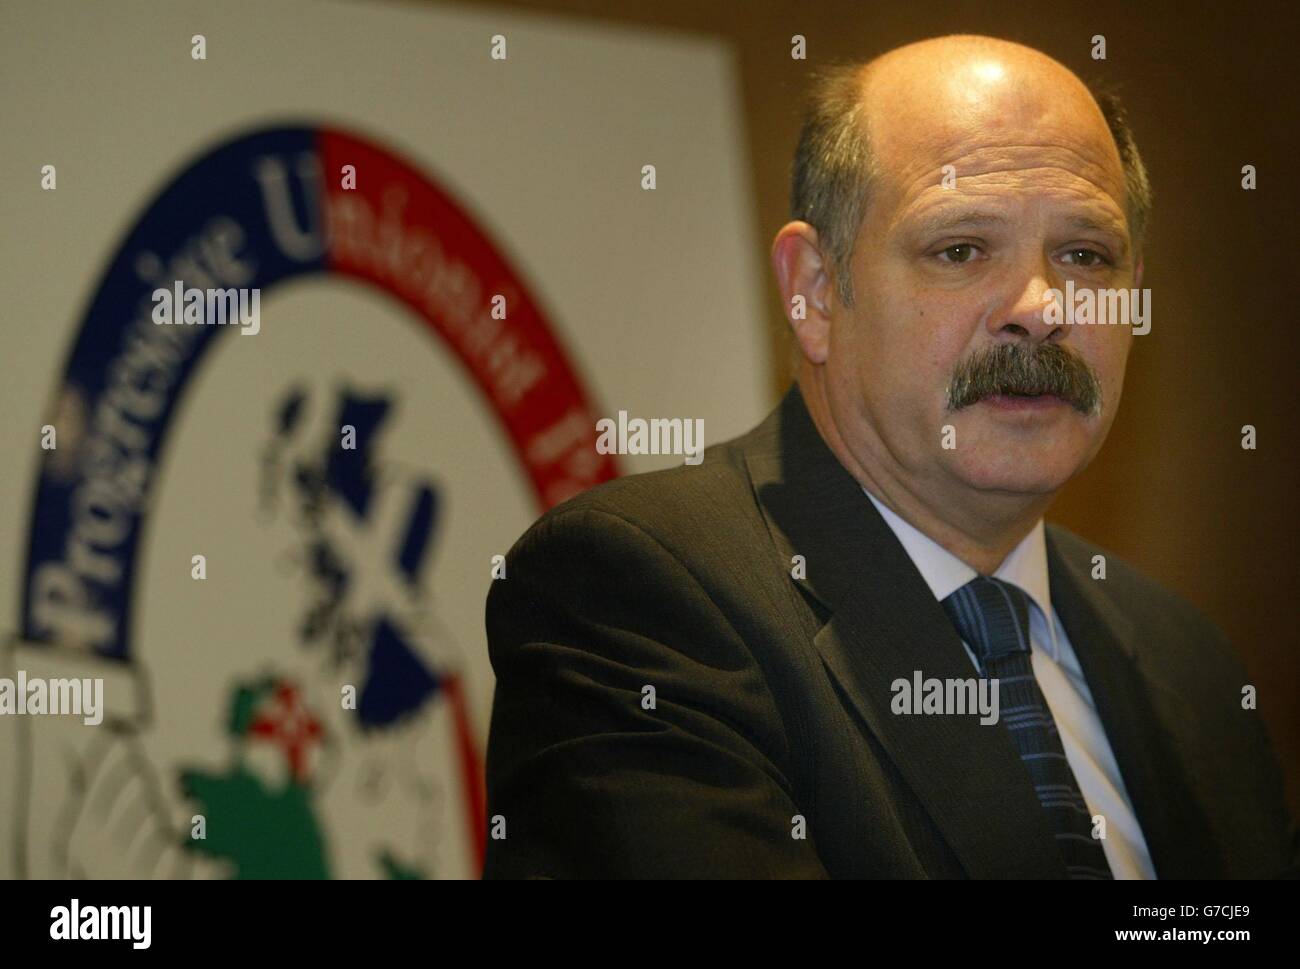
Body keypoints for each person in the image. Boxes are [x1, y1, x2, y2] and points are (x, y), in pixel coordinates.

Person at [480, 35, 1297, 879]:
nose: (1040, 308)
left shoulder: (1186, 662)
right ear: (815, 291)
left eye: (1085, 255)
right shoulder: (636, 598)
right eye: (960, 249)